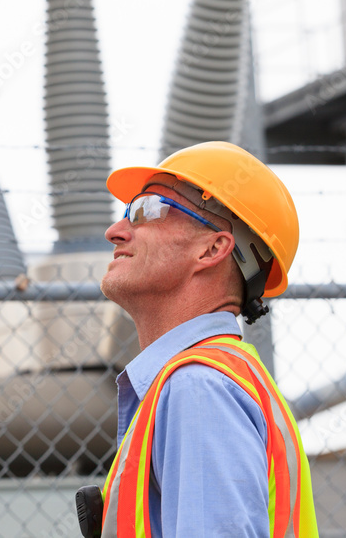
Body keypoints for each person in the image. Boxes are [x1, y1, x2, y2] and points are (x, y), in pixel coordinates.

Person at [97, 141, 318, 537]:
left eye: (148, 210)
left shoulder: (199, 387)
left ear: (213, 248)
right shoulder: (218, 379)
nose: (115, 231)